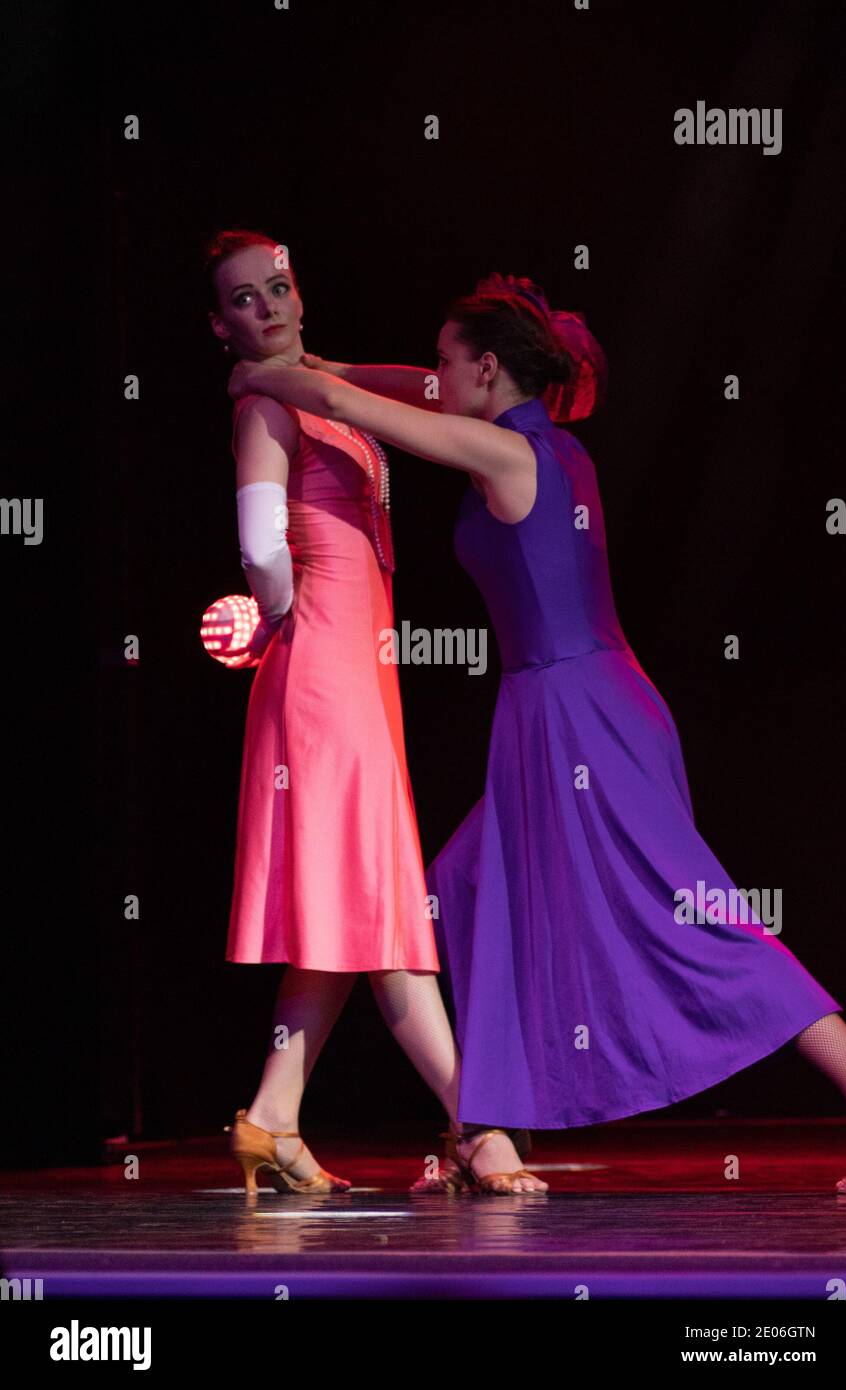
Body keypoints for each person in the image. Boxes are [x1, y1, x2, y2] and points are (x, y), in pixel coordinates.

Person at [227, 271, 846, 1193]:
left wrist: (258, 376)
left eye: (447, 362)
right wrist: (302, 358)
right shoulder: (539, 444)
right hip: (558, 713)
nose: (431, 375)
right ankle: (476, 1127)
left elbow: (339, 400)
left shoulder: (510, 457)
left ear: (486, 369)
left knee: (698, 919)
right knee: (457, 885)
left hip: (583, 718)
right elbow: (373, 382)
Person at [207, 233, 545, 1197]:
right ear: (219, 324)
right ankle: (477, 1125)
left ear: (300, 295)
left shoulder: (304, 384)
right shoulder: (266, 405)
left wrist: (315, 364)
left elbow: (429, 390)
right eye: (242, 301)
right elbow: (261, 546)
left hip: (359, 669)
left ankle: (272, 1117)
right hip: (323, 669)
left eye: (279, 287)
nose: (266, 307)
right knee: (381, 908)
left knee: (347, 908)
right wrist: (280, 618)